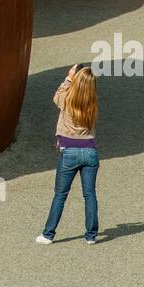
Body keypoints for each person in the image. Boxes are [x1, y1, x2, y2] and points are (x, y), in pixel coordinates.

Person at [36, 64, 99, 245]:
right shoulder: (93, 103)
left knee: (60, 195)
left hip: (69, 152)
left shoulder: (66, 100)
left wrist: (69, 77)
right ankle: (91, 236)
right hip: (90, 152)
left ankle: (48, 234)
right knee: (90, 194)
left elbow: (56, 96)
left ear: (76, 82)